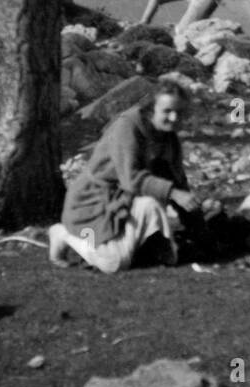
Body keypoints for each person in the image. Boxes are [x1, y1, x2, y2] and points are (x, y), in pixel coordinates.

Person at [49, 83, 202, 273]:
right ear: (152, 108)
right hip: (95, 201)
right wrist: (174, 193)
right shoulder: (128, 127)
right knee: (112, 263)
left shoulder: (169, 139)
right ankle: (63, 234)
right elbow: (131, 178)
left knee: (163, 252)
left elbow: (179, 183)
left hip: (130, 201)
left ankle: (138, 244)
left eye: (179, 112)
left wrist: (198, 227)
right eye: (167, 111)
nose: (174, 118)